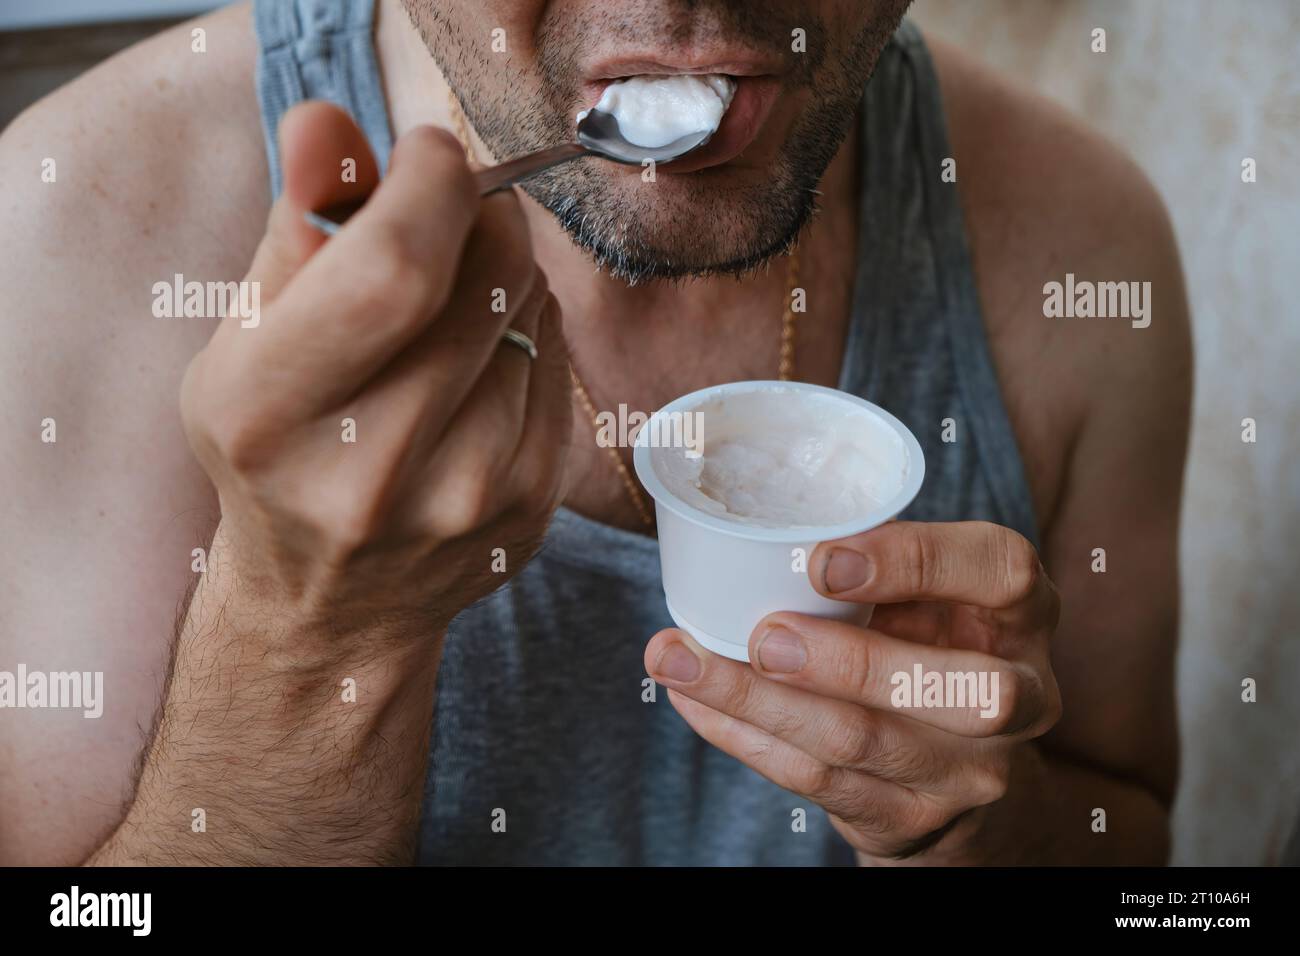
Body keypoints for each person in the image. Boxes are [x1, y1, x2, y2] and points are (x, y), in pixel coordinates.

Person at [0, 0, 1190, 865]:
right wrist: (305, 645)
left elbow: (1135, 845)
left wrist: (970, 831)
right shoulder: (78, 225)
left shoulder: (1081, 242)